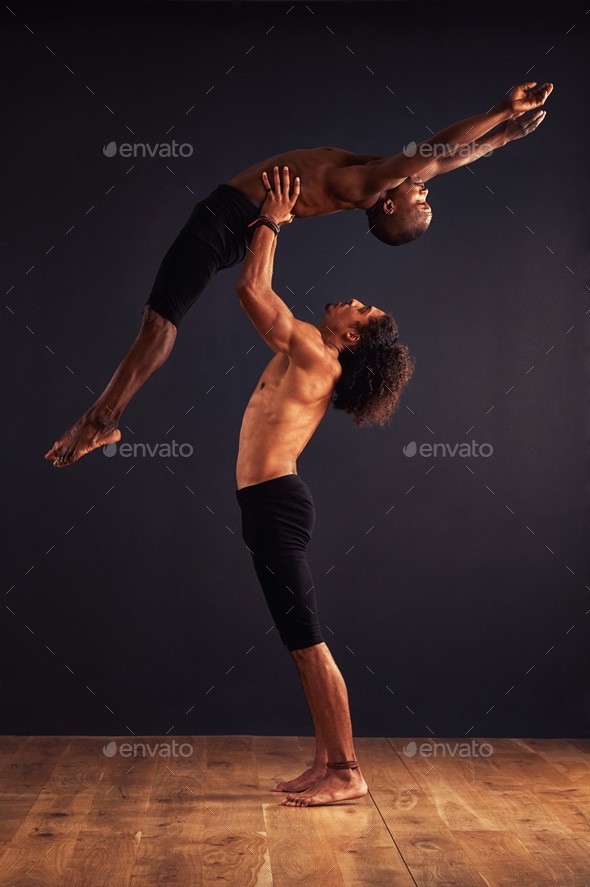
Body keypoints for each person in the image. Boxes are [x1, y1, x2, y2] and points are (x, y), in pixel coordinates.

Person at [44, 82, 552, 468]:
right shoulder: (381, 180)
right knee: (163, 316)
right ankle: (102, 419)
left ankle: (103, 420)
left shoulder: (370, 183)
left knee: (161, 320)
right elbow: (444, 162)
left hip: (227, 220)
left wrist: (500, 110)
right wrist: (503, 136)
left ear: (390, 205)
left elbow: (433, 152)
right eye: (423, 197)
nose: (424, 192)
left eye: (420, 202)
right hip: (240, 222)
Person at [235, 167, 413, 806]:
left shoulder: (315, 351)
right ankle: (324, 764)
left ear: (352, 335)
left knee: (307, 642)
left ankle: (346, 772)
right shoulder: (314, 351)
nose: (353, 300)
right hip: (268, 503)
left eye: (362, 310)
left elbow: (252, 290)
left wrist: (272, 220)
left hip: (276, 505)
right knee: (298, 643)